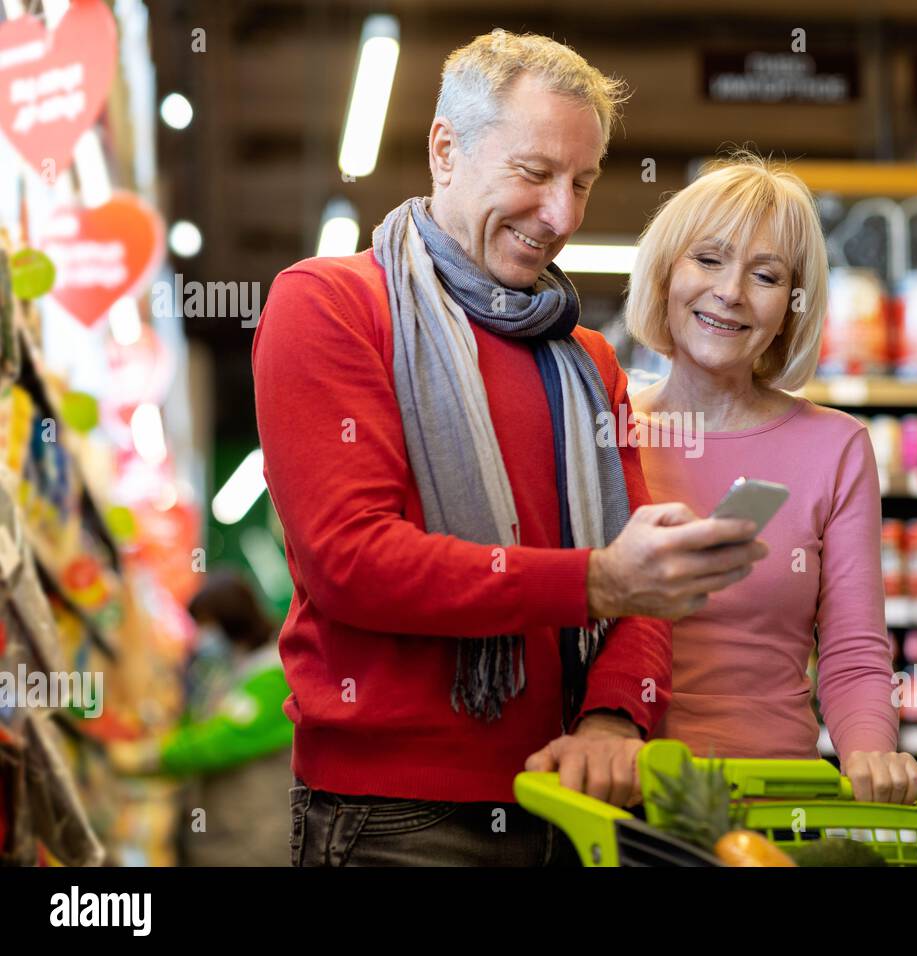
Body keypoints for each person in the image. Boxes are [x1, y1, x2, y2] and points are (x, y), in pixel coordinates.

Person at [251, 30, 766, 866]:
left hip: (575, 807)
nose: (561, 215)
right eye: (534, 174)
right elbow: (351, 562)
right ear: (445, 149)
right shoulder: (331, 307)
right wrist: (597, 580)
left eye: (583, 183)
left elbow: (645, 580)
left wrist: (612, 717)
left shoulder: (585, 359)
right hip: (396, 821)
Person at [626, 153, 917, 805]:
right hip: (619, 796)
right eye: (707, 259)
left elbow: (852, 649)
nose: (730, 291)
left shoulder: (835, 447)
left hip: (778, 800)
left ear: (789, 309)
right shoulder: (604, 429)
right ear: (665, 271)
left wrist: (871, 753)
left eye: (765, 275)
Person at [109, 570, 294, 866]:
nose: (201, 637)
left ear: (230, 619)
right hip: (228, 837)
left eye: (205, 625)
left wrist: (148, 757)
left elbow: (221, 740)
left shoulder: (274, 677)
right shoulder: (232, 673)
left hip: (256, 840)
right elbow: (198, 728)